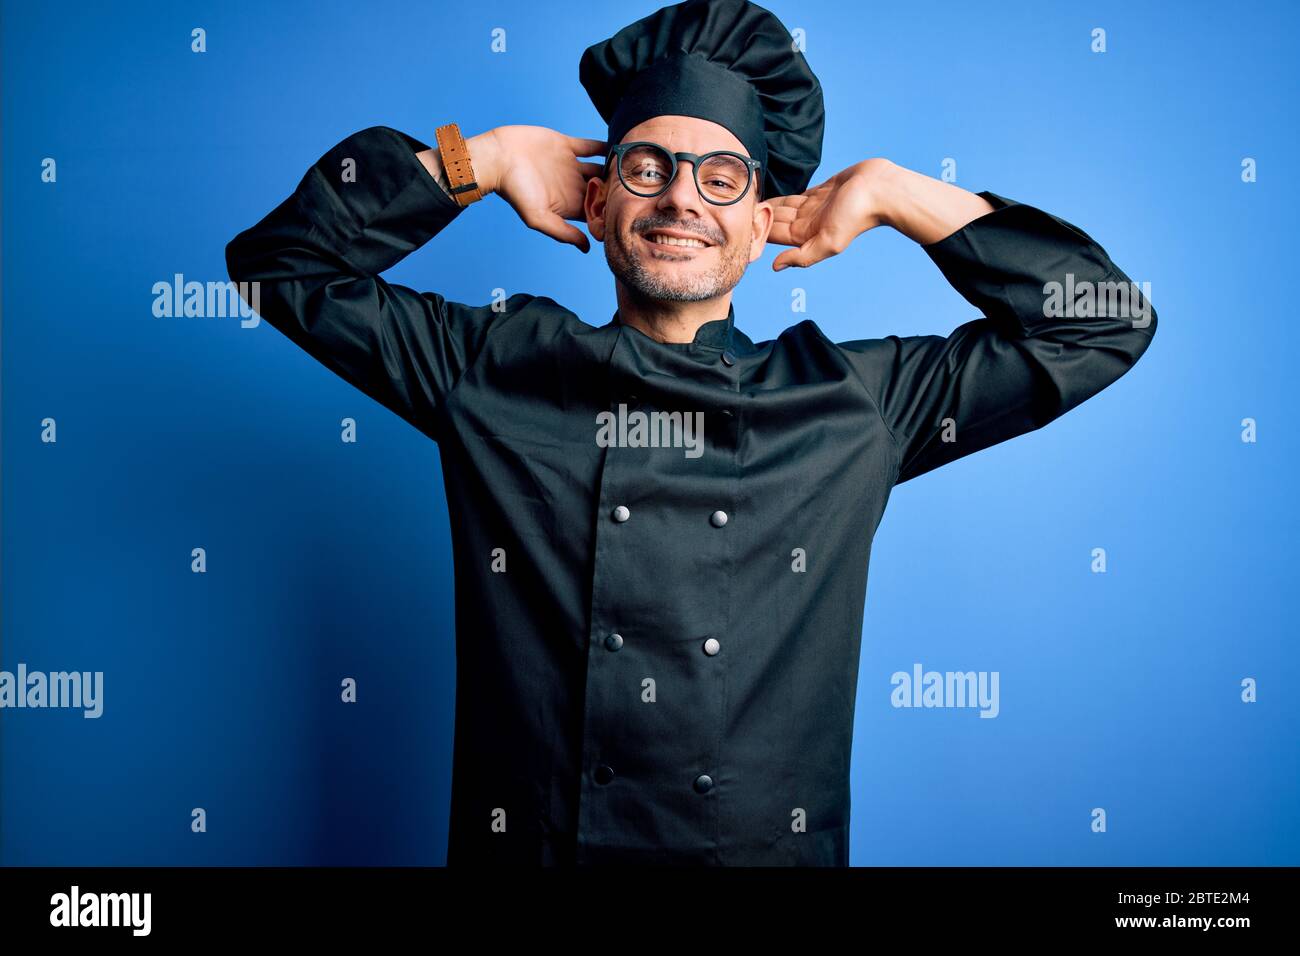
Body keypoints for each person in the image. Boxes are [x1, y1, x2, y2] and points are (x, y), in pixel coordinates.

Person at [225, 0, 1157, 865]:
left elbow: (1106, 320)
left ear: (760, 225)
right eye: (645, 168)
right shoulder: (495, 366)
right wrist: (487, 157)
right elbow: (280, 267)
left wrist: (898, 193)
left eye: (721, 178)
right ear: (598, 202)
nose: (680, 199)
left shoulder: (853, 400)